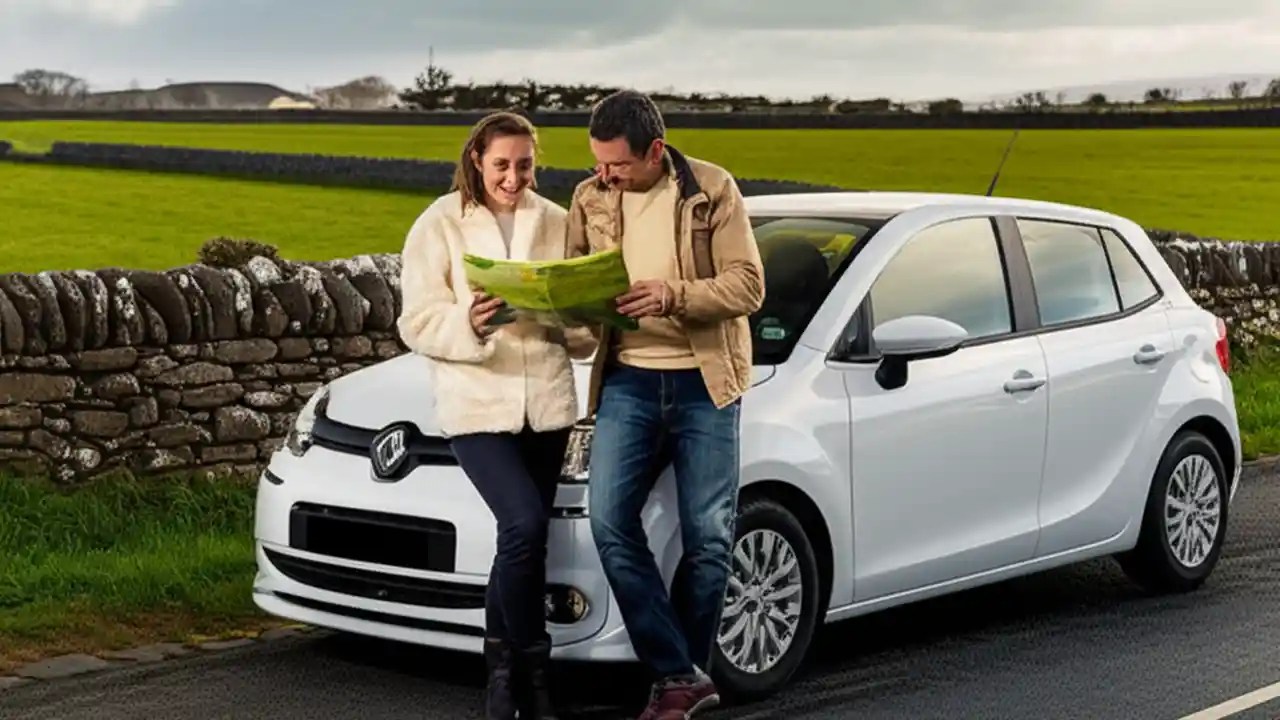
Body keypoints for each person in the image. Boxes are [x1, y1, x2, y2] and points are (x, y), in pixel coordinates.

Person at [565, 90, 764, 719]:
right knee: (608, 521)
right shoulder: (588, 198)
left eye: (617, 166)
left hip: (706, 384)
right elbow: (574, 288)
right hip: (627, 380)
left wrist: (672, 295)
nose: (605, 176)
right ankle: (681, 672)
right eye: (598, 163)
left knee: (710, 537)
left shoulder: (712, 188)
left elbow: (748, 284)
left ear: (655, 150)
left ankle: (678, 684)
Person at [397, 111, 595, 720]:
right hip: (476, 406)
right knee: (525, 524)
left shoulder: (559, 222)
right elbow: (416, 321)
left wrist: (567, 313)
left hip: (548, 408)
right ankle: (531, 670)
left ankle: (508, 677)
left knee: (519, 541)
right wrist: (470, 323)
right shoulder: (440, 223)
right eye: (502, 165)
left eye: (525, 165)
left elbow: (587, 334)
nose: (514, 177)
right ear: (477, 160)